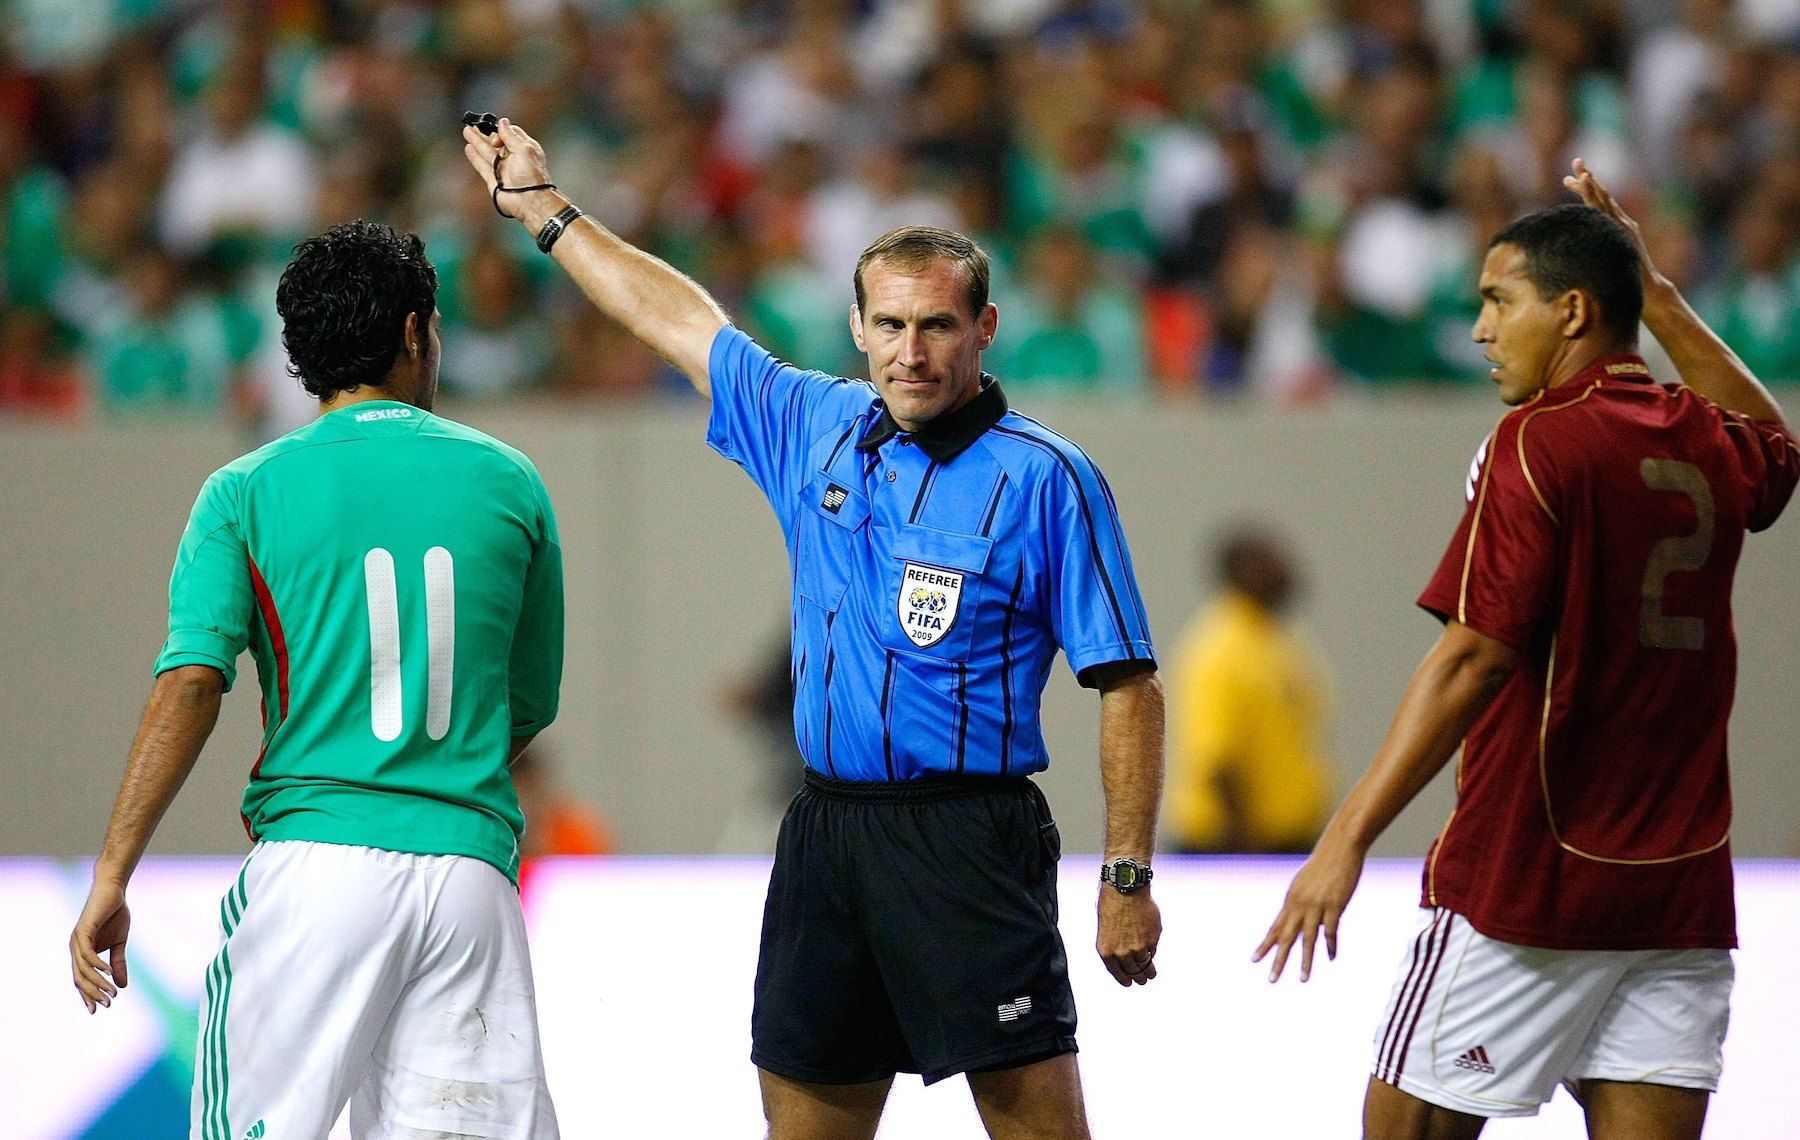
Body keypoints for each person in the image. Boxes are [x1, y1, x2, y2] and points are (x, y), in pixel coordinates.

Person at [462, 117, 1164, 1139]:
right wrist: (540, 207)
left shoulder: (1047, 479)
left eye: (937, 327)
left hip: (969, 840)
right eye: (890, 325)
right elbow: (677, 319)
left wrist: (1127, 876)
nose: (911, 353)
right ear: (858, 328)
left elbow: (1129, 685)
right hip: (826, 835)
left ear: (985, 329)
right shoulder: (815, 425)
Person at [1254, 159, 1797, 1140]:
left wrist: (1346, 839)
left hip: (1528, 884)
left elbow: (1475, 657)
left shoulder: (1537, 443)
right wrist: (1660, 295)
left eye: (1500, 300)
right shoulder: (1700, 435)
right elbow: (1777, 447)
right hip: (1675, 895)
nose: (1480, 328)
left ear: (1574, 311)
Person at [67, 220, 567, 1138]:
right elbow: (525, 705)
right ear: (414, 332)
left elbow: (192, 683)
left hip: (316, 871)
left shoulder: (245, 490)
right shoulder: (511, 482)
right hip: (471, 884)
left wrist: (112, 872)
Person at [1165, 527, 1333, 854]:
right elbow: (1218, 761)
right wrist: (1245, 856)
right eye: (1268, 562)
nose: (1284, 570)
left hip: (1284, 842)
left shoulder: (1274, 640)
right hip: (1233, 848)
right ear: (1240, 573)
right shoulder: (1221, 647)